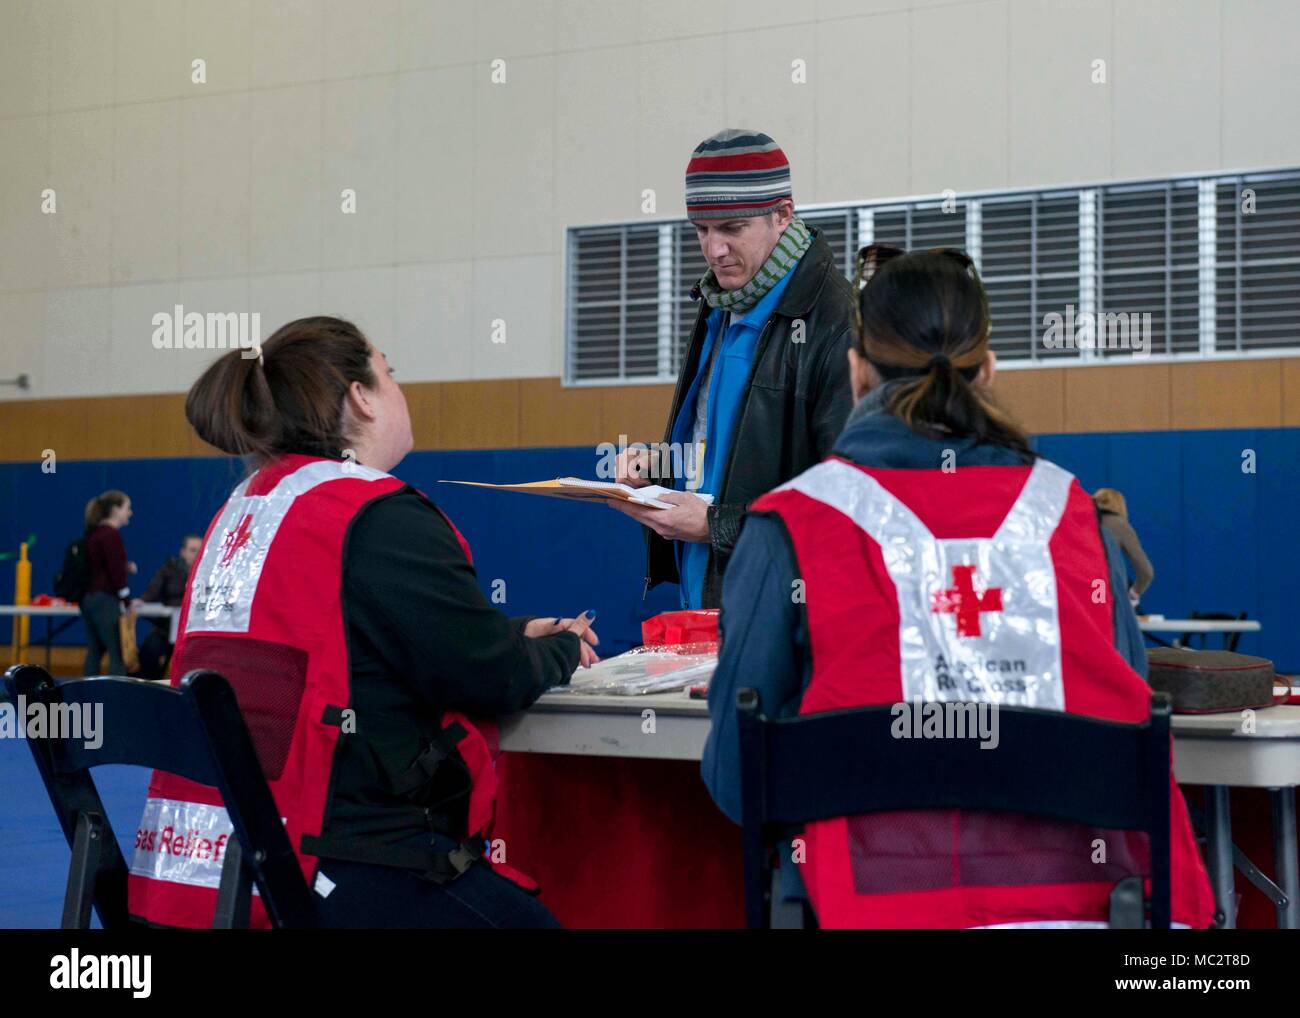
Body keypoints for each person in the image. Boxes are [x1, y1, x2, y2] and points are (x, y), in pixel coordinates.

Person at [702, 246, 1215, 928]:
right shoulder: (1078, 520)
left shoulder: (786, 528)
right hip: (1094, 917)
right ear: (991, 370)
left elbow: (740, 780)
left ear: (856, 373)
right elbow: (1129, 722)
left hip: (865, 916)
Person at [128, 317, 598, 929]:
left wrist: (510, 636)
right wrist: (560, 650)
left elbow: (355, 647)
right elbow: (492, 679)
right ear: (361, 396)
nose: (400, 387)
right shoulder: (375, 514)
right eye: (390, 372)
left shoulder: (245, 510)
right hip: (335, 865)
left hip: (210, 870)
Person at [609, 129, 855, 608]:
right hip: (707, 593)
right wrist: (661, 464)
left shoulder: (838, 324)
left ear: (782, 214)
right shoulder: (720, 303)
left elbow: (846, 506)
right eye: (701, 229)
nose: (714, 249)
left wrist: (715, 525)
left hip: (785, 609)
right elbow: (723, 449)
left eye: (732, 228)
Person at [80, 490, 136, 676]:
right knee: (118, 653)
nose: (130, 512)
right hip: (105, 601)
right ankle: (117, 700)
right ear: (115, 510)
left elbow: (101, 566)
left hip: (90, 599)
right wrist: (126, 599)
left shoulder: (95, 534)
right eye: (127, 508)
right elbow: (114, 572)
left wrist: (123, 566)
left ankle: (86, 698)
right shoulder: (110, 535)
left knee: (95, 651)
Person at [132, 534, 201, 680]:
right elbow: (154, 588)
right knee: (149, 651)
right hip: (166, 628)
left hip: (193, 631)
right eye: (193, 550)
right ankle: (150, 688)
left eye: (199, 550)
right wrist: (143, 599)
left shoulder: (207, 573)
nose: (196, 554)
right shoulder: (170, 569)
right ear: (183, 552)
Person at [1093, 487, 1155, 603]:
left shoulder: (1081, 521)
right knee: (1099, 613)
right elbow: (1146, 571)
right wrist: (1134, 593)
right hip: (1100, 586)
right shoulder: (1119, 525)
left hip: (1074, 590)